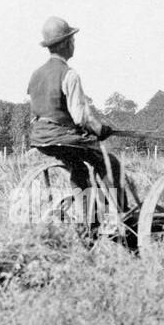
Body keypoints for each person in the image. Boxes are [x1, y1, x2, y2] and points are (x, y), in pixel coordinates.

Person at [27, 16, 128, 212]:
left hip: (40, 137)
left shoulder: (36, 74)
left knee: (79, 168)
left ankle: (88, 219)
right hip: (62, 136)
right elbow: (81, 116)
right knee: (108, 162)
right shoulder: (69, 74)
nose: (74, 44)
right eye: (72, 40)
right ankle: (121, 214)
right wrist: (100, 130)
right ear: (65, 43)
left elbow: (40, 109)